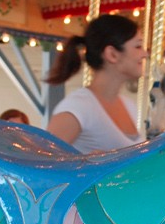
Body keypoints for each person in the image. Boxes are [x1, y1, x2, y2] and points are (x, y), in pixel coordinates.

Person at [45, 14, 146, 153]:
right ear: (112, 54)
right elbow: (43, 163)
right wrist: (84, 164)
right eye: (138, 46)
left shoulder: (130, 106)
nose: (144, 54)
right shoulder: (78, 107)